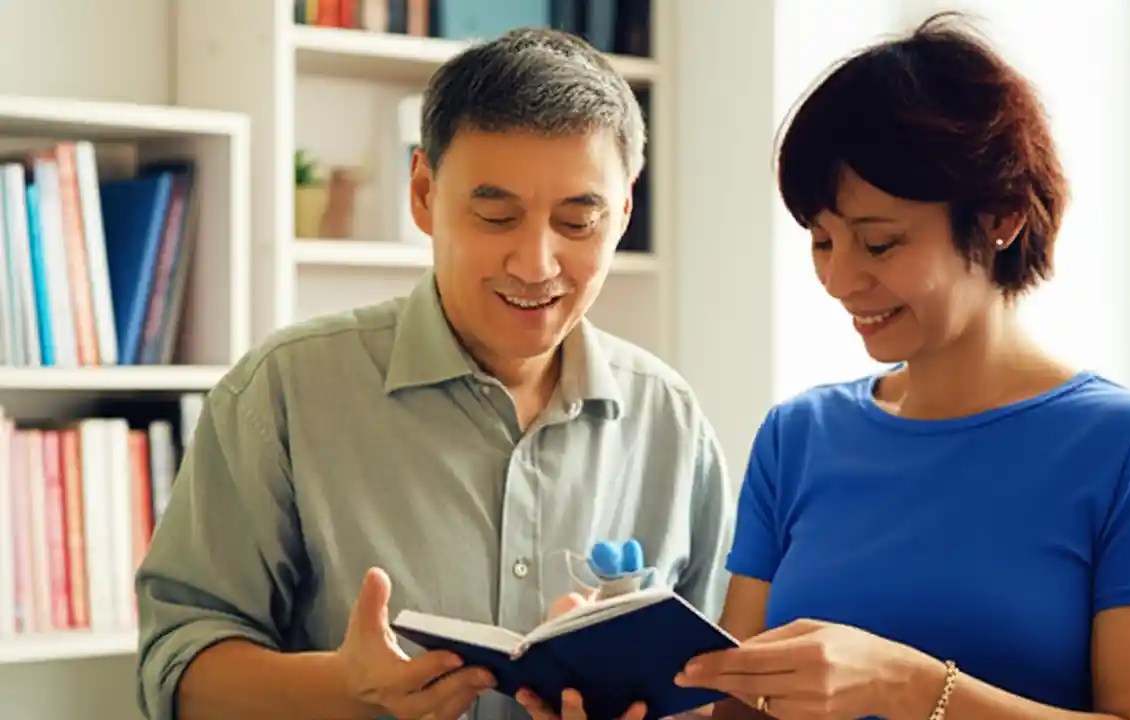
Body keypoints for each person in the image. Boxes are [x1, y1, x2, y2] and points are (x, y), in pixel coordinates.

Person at [134, 28, 734, 720]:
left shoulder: (669, 420)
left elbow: (713, 685)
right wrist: (344, 687)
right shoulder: (284, 391)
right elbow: (175, 668)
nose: (536, 263)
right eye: (496, 214)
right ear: (422, 193)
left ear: (624, 211)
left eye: (577, 222)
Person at [673, 13, 1130, 720]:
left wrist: (909, 685)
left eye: (879, 243)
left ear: (1001, 218)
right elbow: (737, 707)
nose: (839, 279)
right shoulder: (797, 436)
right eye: (821, 241)